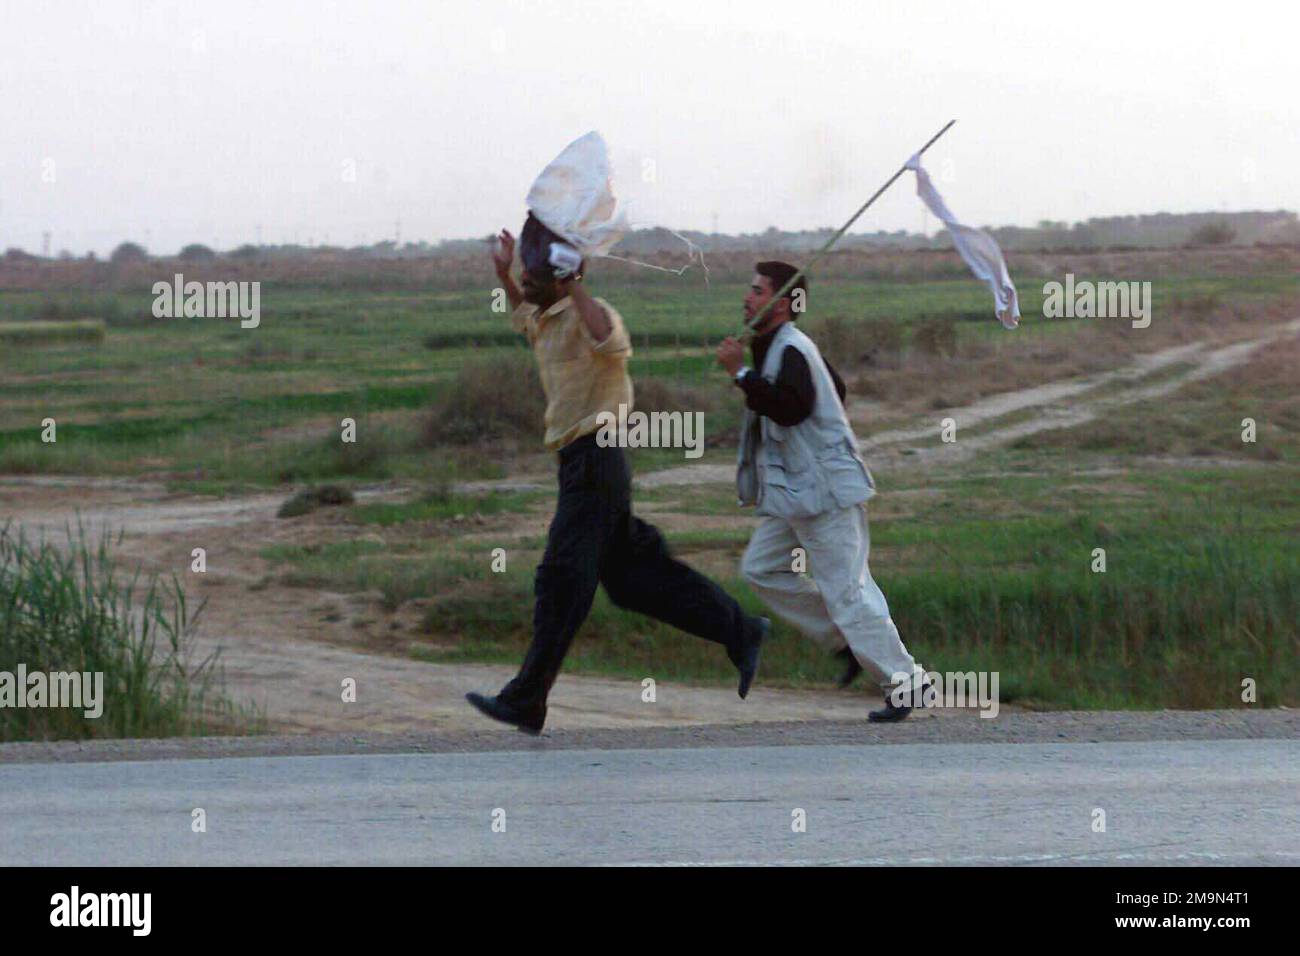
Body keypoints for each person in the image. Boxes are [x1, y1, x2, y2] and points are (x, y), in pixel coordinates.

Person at [465, 214, 768, 734]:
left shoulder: (593, 314)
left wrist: (576, 284)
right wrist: (504, 274)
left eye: (535, 278)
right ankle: (740, 630)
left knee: (562, 577)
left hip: (597, 458)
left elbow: (609, 340)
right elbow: (522, 312)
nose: (526, 285)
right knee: (631, 581)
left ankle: (527, 698)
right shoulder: (546, 318)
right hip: (581, 465)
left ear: (564, 279)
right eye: (527, 278)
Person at [716, 261, 929, 722]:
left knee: (848, 592)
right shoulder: (779, 346)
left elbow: (791, 409)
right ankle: (847, 642)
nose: (748, 298)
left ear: (782, 303)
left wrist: (741, 375)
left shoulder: (791, 347)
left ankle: (907, 682)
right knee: (761, 569)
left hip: (823, 493)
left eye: (758, 291)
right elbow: (836, 387)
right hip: (793, 493)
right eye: (750, 290)